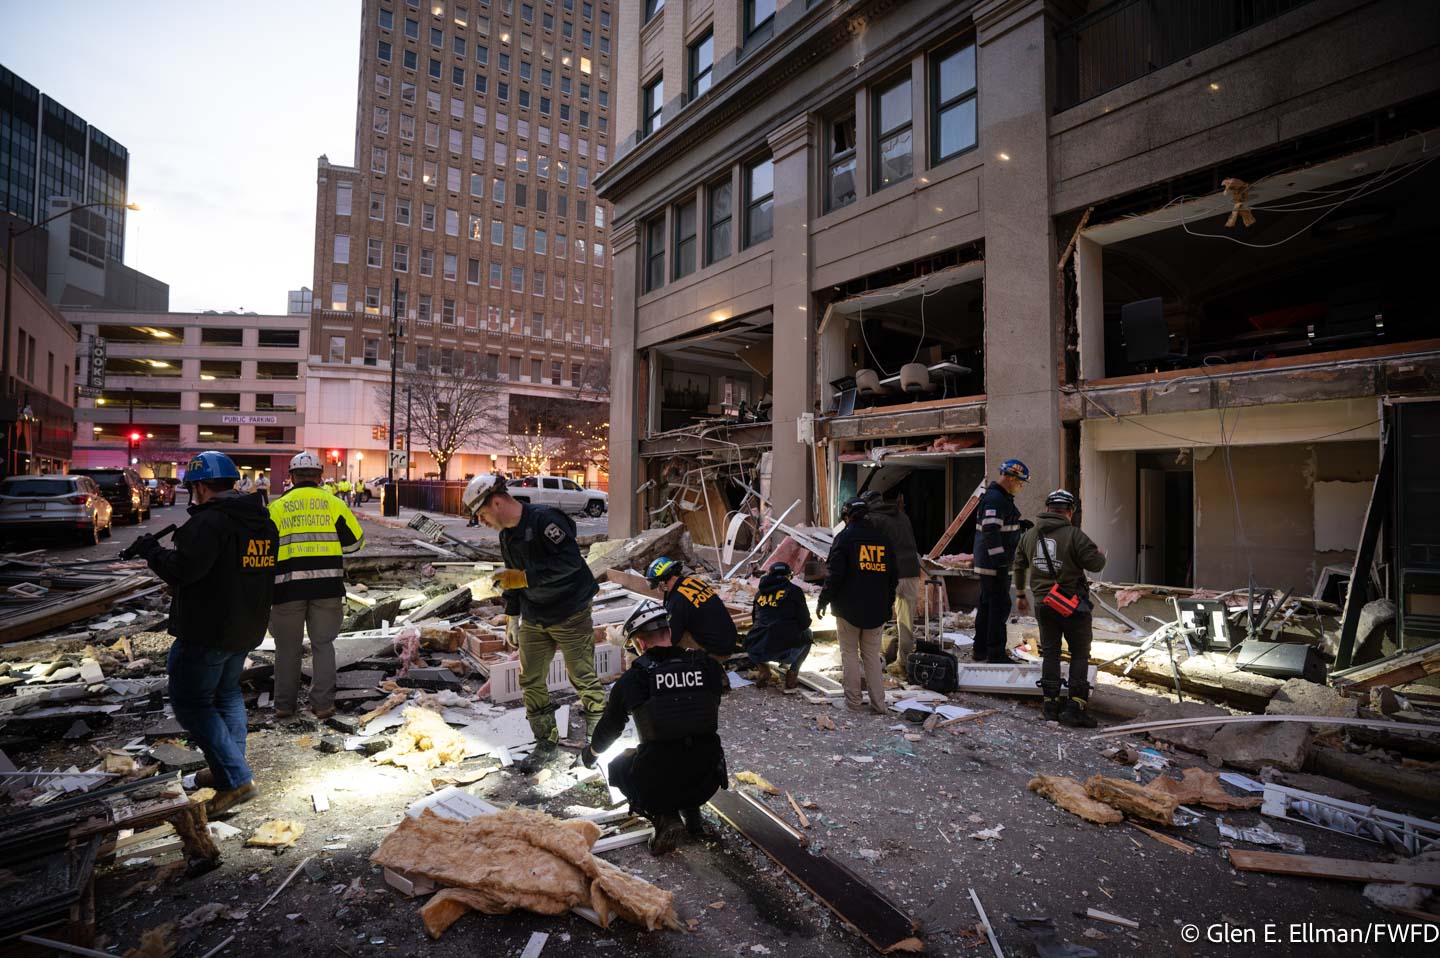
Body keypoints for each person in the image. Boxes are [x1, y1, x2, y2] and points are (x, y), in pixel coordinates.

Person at [130, 451, 278, 816]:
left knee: (192, 704)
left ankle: (234, 779)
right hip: (246, 627)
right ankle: (229, 766)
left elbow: (184, 570)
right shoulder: (261, 522)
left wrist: (152, 553)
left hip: (208, 631)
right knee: (226, 694)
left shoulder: (209, 523)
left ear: (198, 486)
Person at [464, 473, 604, 766]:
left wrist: (526, 577)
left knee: (583, 677)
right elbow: (511, 578)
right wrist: (512, 614)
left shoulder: (545, 520)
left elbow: (569, 562)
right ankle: (545, 742)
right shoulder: (507, 537)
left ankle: (598, 742)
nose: (483, 522)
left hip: (570, 611)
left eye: (483, 514)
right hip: (535, 616)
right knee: (531, 680)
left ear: (497, 502)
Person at [582, 600, 727, 855]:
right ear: (669, 633)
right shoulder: (708, 666)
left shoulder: (634, 679)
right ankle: (692, 813)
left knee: (618, 766)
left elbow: (610, 727)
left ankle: (665, 818)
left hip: (660, 782)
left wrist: (591, 754)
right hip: (708, 776)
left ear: (639, 643)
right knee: (691, 746)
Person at [267, 451, 366, 721]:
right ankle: (323, 705)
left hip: (287, 590)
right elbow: (355, 543)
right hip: (327, 588)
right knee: (323, 645)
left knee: (287, 649)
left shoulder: (277, 508)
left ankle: (284, 707)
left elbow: (266, 551)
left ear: (291, 477)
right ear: (321, 477)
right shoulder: (334, 504)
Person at [1013, 489, 1107, 727]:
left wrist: (1021, 594)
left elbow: (1019, 565)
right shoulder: (1075, 535)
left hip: (1043, 603)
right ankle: (1075, 707)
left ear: (1047, 509)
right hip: (1071, 604)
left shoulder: (1029, 535)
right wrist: (1100, 555)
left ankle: (1051, 704)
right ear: (1070, 511)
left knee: (1051, 653)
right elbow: (1095, 564)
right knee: (1079, 653)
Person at [818, 498, 897, 714]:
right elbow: (893, 577)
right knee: (872, 656)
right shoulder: (883, 540)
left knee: (850, 653)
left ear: (847, 516)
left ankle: (852, 702)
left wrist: (823, 600)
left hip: (848, 608)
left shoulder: (844, 538)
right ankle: (879, 704)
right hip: (877, 609)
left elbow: (835, 575)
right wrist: (888, 604)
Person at [973, 458, 1029, 664]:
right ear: (1011, 478)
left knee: (988, 607)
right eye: (1020, 482)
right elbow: (990, 530)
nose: (1020, 487)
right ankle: (995, 654)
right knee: (999, 608)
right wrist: (1000, 561)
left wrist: (1019, 525)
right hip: (994, 566)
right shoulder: (996, 498)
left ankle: (981, 650)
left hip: (991, 564)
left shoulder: (999, 498)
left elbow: (999, 525)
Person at [645, 557, 739, 677]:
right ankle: (714, 668)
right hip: (728, 641)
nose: (658, 588)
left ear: (663, 581)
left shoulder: (677, 601)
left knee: (668, 638)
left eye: (657, 584)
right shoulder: (693, 582)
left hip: (716, 651)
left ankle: (704, 668)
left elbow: (672, 638)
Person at [868, 487, 922, 677]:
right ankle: (904, 663)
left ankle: (872, 660)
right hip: (912, 570)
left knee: (877, 618)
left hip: (890, 573)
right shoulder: (901, 515)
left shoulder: (874, 519)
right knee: (906, 621)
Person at [742, 562, 812, 690]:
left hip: (759, 650)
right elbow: (805, 622)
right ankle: (792, 674)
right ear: (789, 576)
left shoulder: (759, 594)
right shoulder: (795, 591)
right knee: (808, 633)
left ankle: (763, 669)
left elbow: (754, 620)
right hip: (786, 651)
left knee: (751, 635)